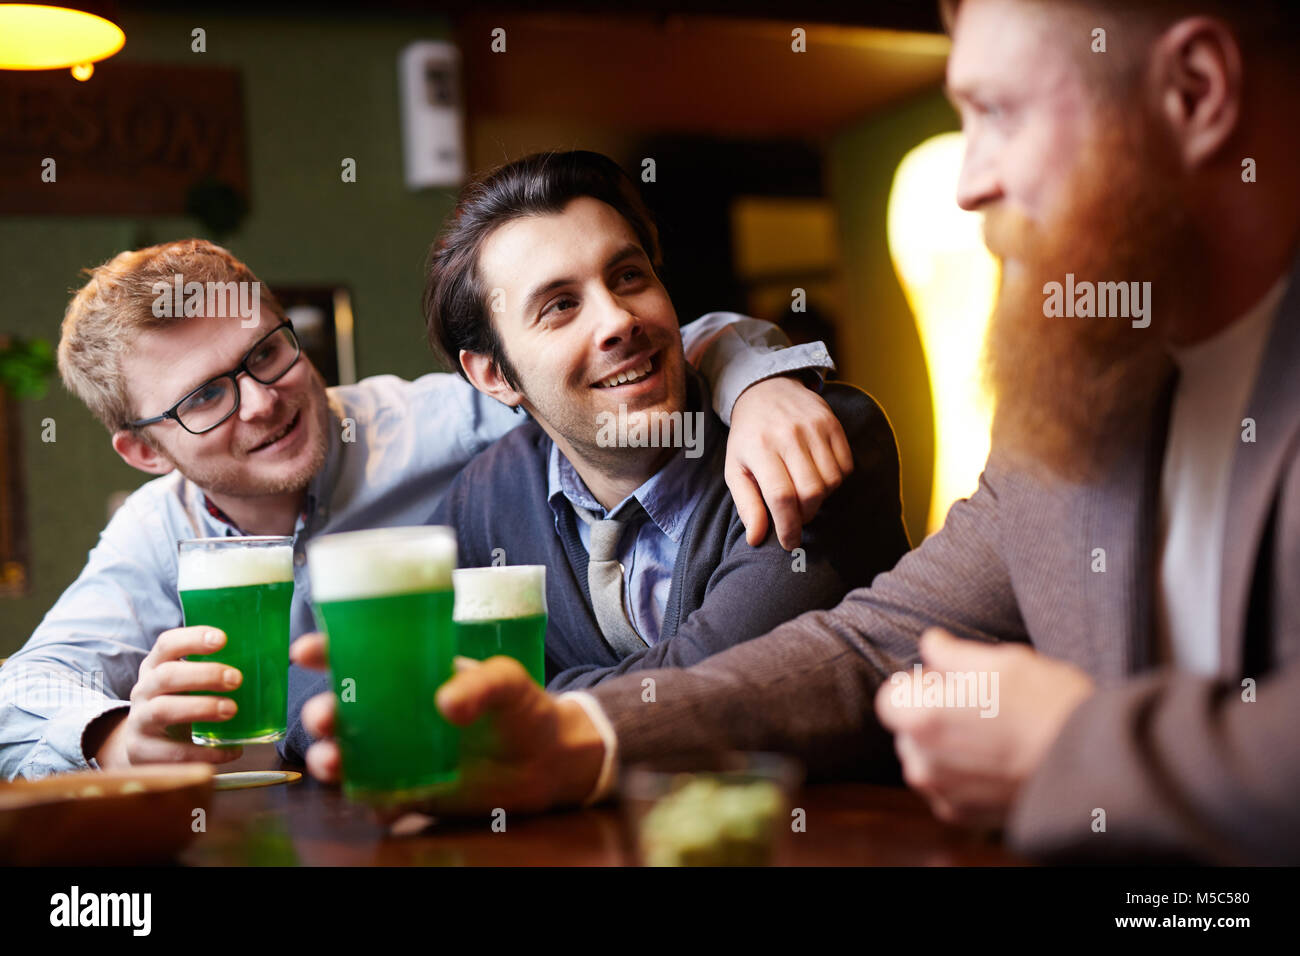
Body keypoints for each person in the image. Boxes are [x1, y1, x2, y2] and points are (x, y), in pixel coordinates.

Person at [296, 0, 1300, 864]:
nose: (967, 180)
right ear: (491, 374)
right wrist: (574, 735)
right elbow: (872, 640)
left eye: (994, 113)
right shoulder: (1080, 408)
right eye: (554, 306)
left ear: (1196, 93)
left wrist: (1078, 751)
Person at [0, 238, 853, 781]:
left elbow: (615, 356)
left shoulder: (428, 425)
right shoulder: (158, 531)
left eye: (266, 352)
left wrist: (758, 381)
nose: (262, 402)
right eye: (205, 398)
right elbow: (22, 694)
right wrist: (115, 737)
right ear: (146, 451)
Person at [419, 153, 906, 685]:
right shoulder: (492, 493)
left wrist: (488, 705)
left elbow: (706, 689)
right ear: (494, 376)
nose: (619, 321)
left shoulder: (805, 439)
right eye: (560, 305)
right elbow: (336, 661)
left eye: (628, 275)